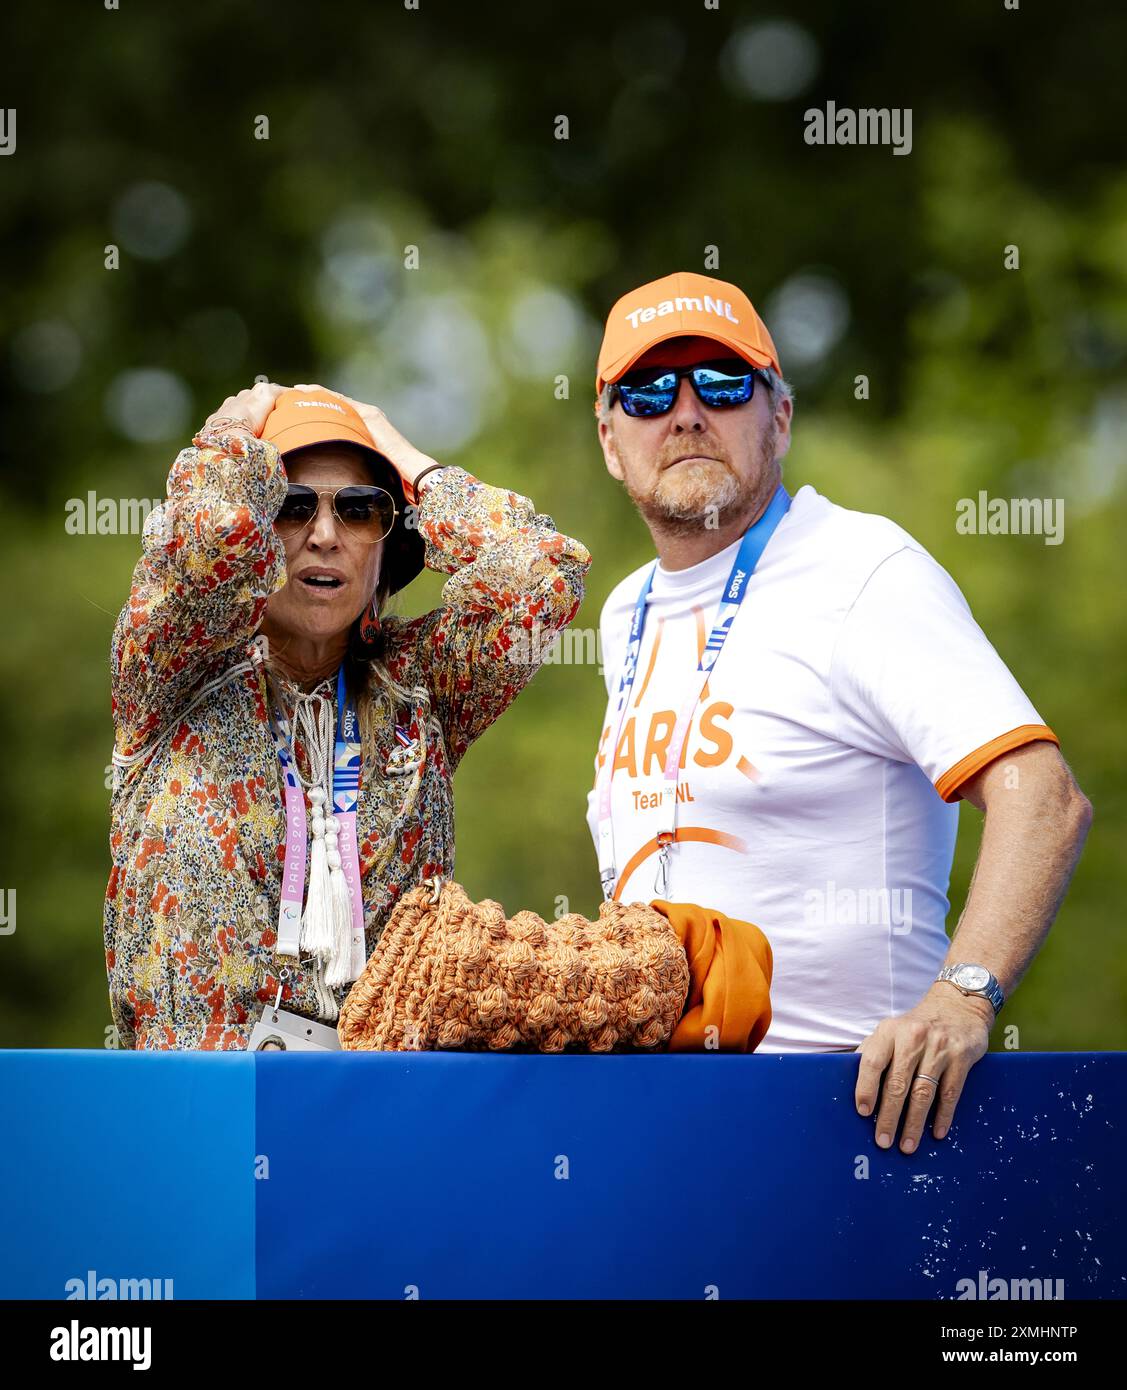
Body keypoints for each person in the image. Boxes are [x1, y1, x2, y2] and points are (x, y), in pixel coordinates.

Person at [587, 271, 1092, 1151]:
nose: (685, 412)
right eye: (646, 392)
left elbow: (1042, 799)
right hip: (661, 1126)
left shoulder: (863, 569)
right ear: (608, 438)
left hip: (849, 1122)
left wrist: (960, 999)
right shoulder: (623, 611)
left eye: (721, 382)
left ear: (778, 416)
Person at [105, 381, 590, 1048]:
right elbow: (204, 547)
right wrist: (230, 437)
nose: (325, 535)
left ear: (385, 544)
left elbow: (545, 575)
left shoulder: (419, 685)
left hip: (381, 1112)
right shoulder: (174, 667)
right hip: (196, 1114)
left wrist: (395, 451)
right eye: (290, 505)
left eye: (361, 510)